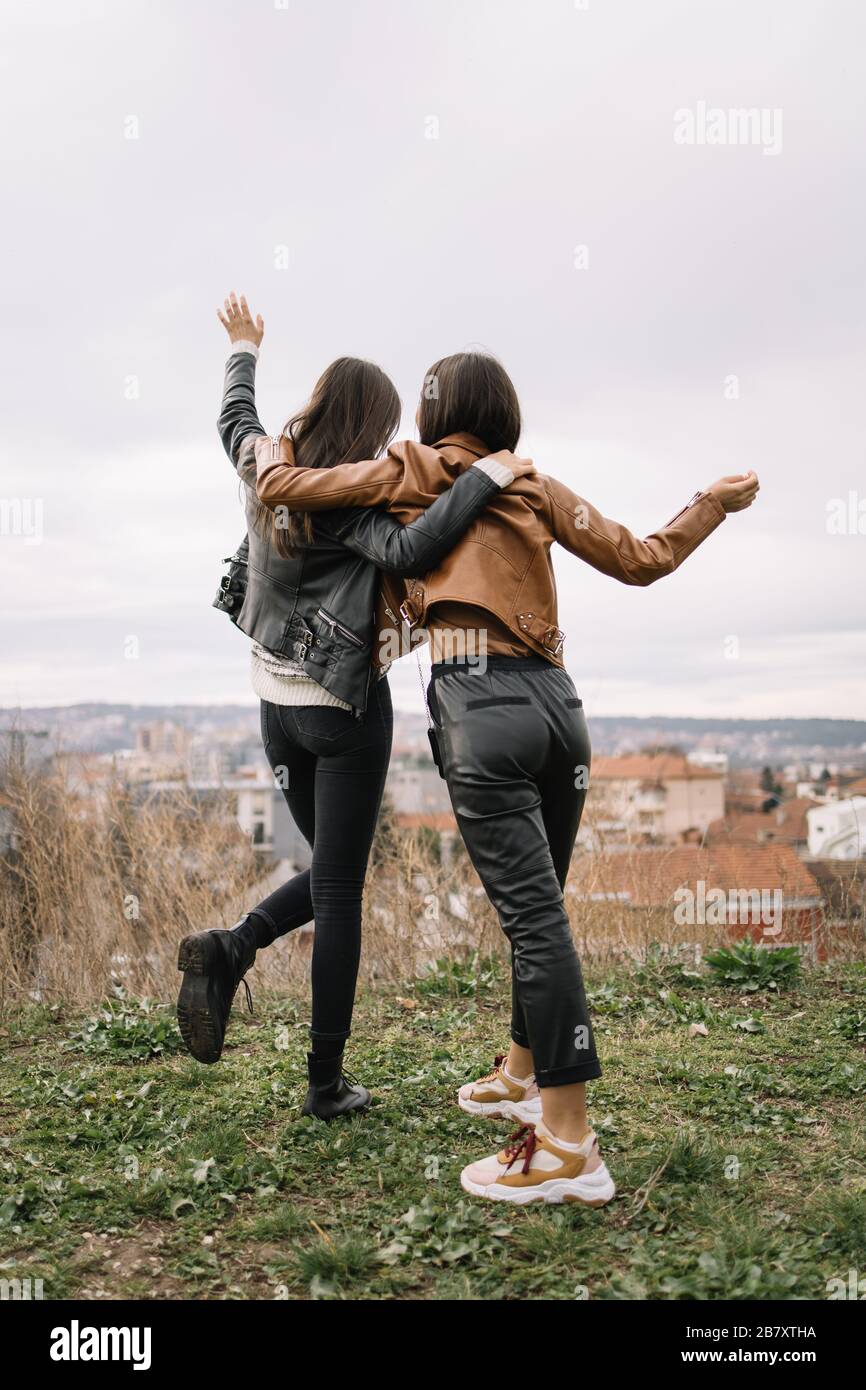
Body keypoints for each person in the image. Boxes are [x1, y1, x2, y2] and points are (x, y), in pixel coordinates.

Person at [252, 348, 760, 1202]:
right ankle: (522, 1074)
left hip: (479, 704)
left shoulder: (408, 468)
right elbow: (642, 558)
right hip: (560, 709)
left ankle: (567, 1146)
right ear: (505, 412)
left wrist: (268, 450)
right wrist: (713, 500)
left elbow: (291, 491)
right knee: (545, 912)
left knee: (533, 922)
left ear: (428, 411)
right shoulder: (533, 482)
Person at [177, 297, 533, 1121]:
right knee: (340, 890)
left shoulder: (264, 463)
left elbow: (233, 414)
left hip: (274, 707)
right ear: (373, 429)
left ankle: (232, 948)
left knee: (334, 872)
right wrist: (484, 476)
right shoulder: (352, 504)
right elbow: (411, 550)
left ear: (318, 401)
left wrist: (242, 347)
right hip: (343, 711)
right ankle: (324, 1082)